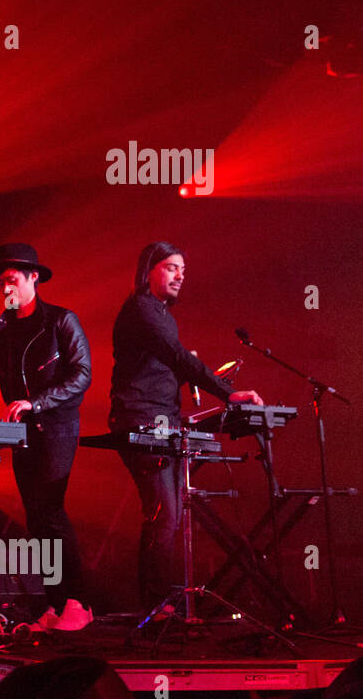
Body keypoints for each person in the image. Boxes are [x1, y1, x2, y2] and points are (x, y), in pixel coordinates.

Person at [108, 241, 263, 613]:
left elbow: (171, 363)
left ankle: (158, 605)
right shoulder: (141, 309)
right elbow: (175, 356)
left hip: (161, 421)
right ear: (149, 270)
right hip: (139, 419)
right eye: (171, 267)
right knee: (164, 514)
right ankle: (156, 607)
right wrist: (228, 394)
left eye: (183, 270)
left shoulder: (161, 315)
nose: (180, 275)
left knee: (167, 516)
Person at [0, 243, 93, 631]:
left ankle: (79, 602)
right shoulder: (0, 329)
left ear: (33, 277)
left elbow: (82, 374)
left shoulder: (60, 321)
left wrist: (36, 402)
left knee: (51, 512)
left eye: (12, 280)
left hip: (56, 428)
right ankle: (54, 605)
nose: (6, 288)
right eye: (0, 282)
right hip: (22, 434)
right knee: (36, 520)